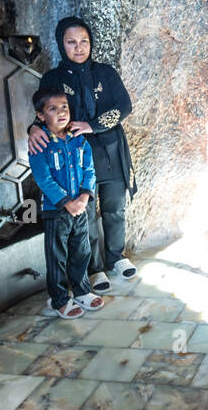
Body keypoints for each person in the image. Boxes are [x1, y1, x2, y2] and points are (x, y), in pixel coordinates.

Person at [26, 16, 138, 291]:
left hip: (111, 150)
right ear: (61, 44)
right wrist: (33, 127)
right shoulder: (52, 78)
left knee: (114, 208)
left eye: (84, 41)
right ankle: (95, 268)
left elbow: (124, 106)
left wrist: (92, 125)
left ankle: (116, 258)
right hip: (74, 159)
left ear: (91, 42)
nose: (79, 48)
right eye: (71, 42)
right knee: (85, 214)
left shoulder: (106, 73)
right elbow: (46, 111)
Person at [27, 87, 105, 319]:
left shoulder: (79, 140)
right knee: (57, 256)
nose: (61, 112)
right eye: (53, 109)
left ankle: (82, 291)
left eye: (64, 107)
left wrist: (83, 197)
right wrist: (66, 202)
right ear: (40, 116)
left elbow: (89, 170)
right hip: (56, 211)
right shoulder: (40, 144)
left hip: (81, 207)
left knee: (82, 251)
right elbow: (43, 178)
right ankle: (59, 299)